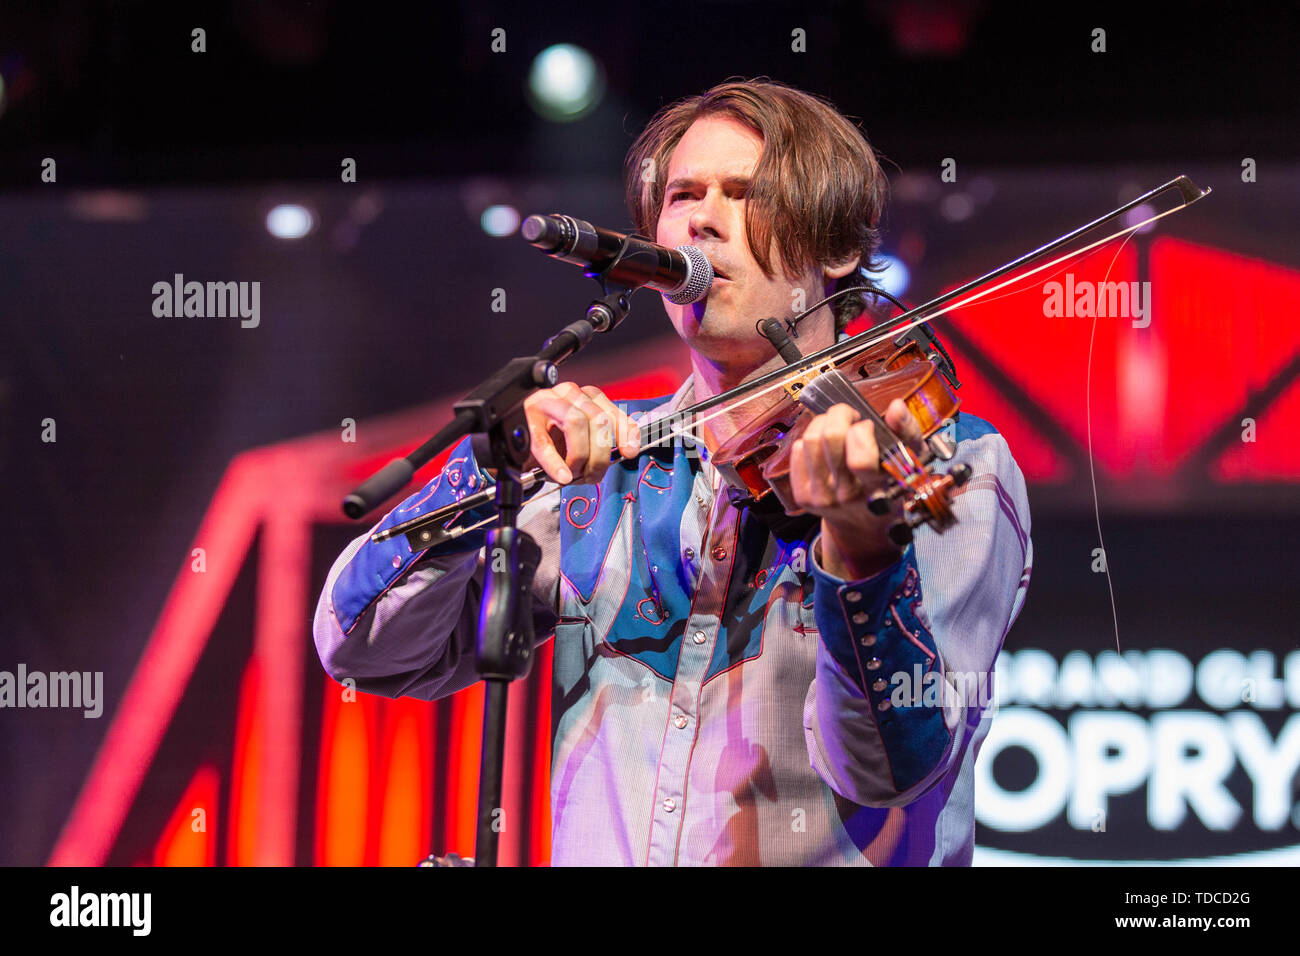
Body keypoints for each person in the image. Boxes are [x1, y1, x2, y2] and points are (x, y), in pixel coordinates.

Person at [313, 78, 1032, 866]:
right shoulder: (606, 461)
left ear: (839, 250)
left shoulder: (946, 461)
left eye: (745, 194)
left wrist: (861, 550)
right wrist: (491, 470)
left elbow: (888, 768)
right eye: (683, 194)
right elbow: (360, 648)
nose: (701, 219)